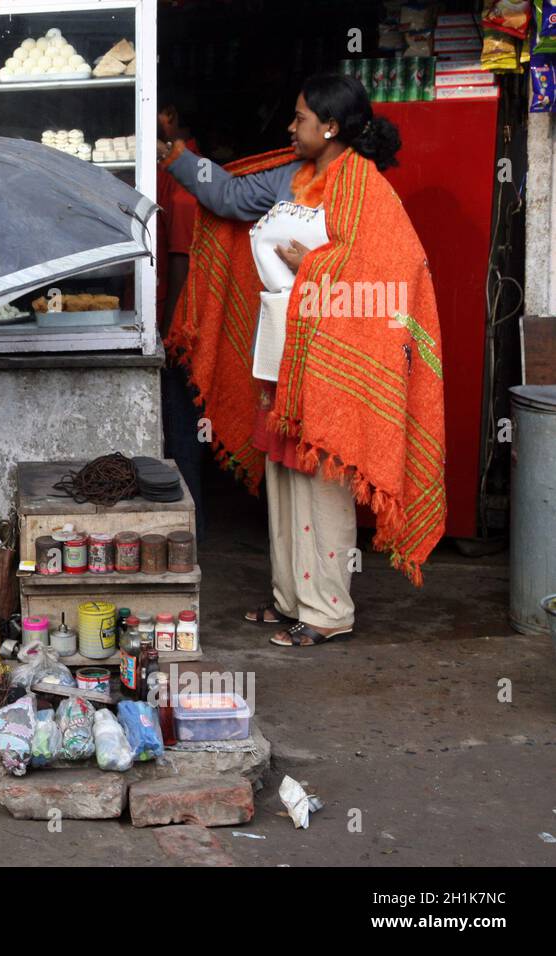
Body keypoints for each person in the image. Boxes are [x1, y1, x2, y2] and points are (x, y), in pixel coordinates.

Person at [157, 73, 446, 649]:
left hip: (336, 363)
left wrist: (308, 265)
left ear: (331, 127)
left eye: (301, 118)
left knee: (321, 483)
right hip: (282, 355)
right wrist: (178, 158)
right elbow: (231, 197)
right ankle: (290, 598)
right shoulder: (293, 177)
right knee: (284, 474)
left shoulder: (366, 190)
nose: (291, 127)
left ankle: (327, 611)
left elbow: (392, 274)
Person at [155, 98, 205, 540]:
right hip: (159, 324)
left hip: (179, 333)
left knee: (180, 434)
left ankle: (188, 535)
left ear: (168, 117)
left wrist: (170, 334)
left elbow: (182, 262)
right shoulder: (169, 169)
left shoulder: (187, 179)